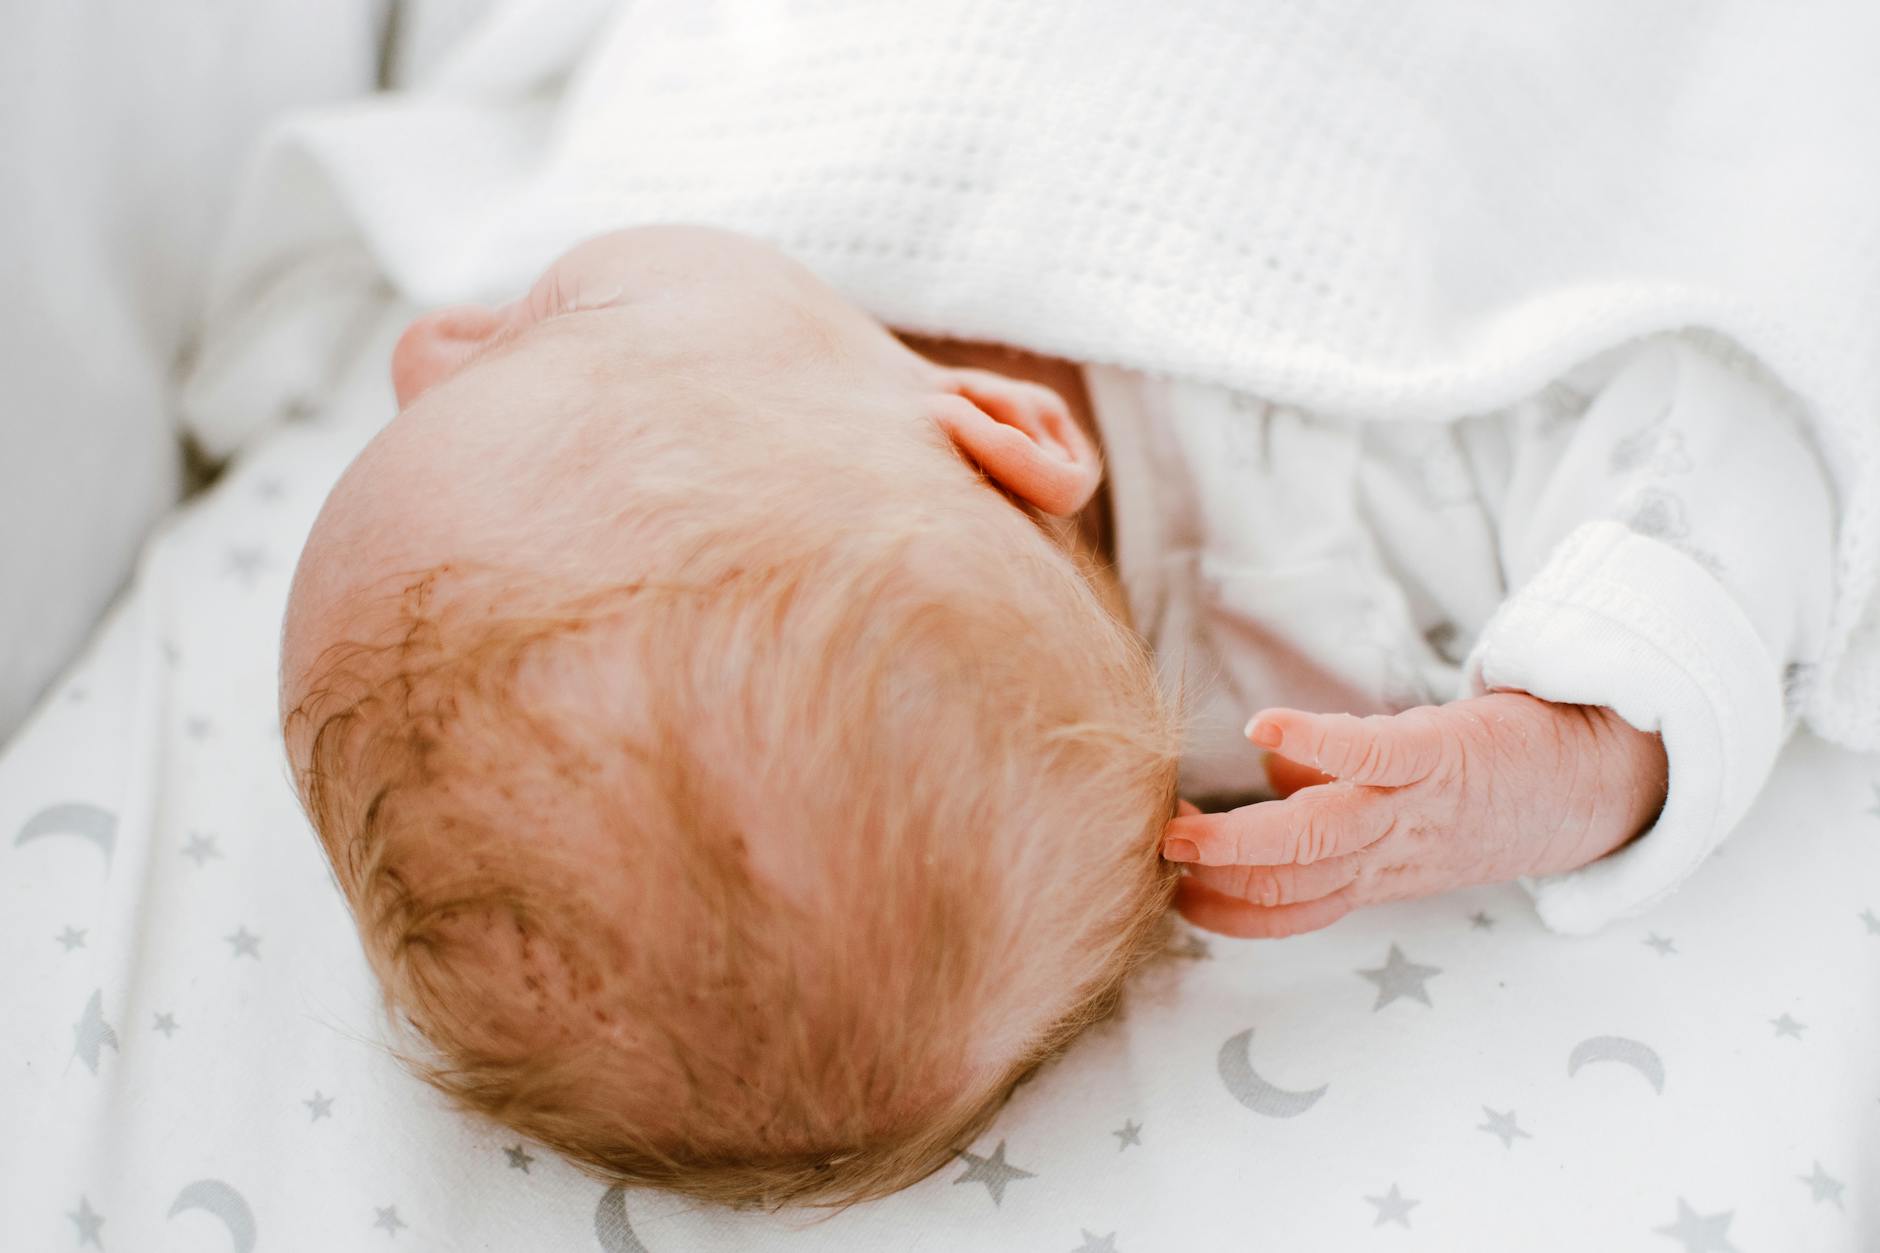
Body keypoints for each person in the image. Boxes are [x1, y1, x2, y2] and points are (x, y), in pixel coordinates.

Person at [279, 224, 1830, 1206]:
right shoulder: (1326, 586)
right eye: (542, 327)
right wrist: (1574, 748)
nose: (422, 343)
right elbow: (1732, 431)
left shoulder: (812, 328)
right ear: (1006, 431)